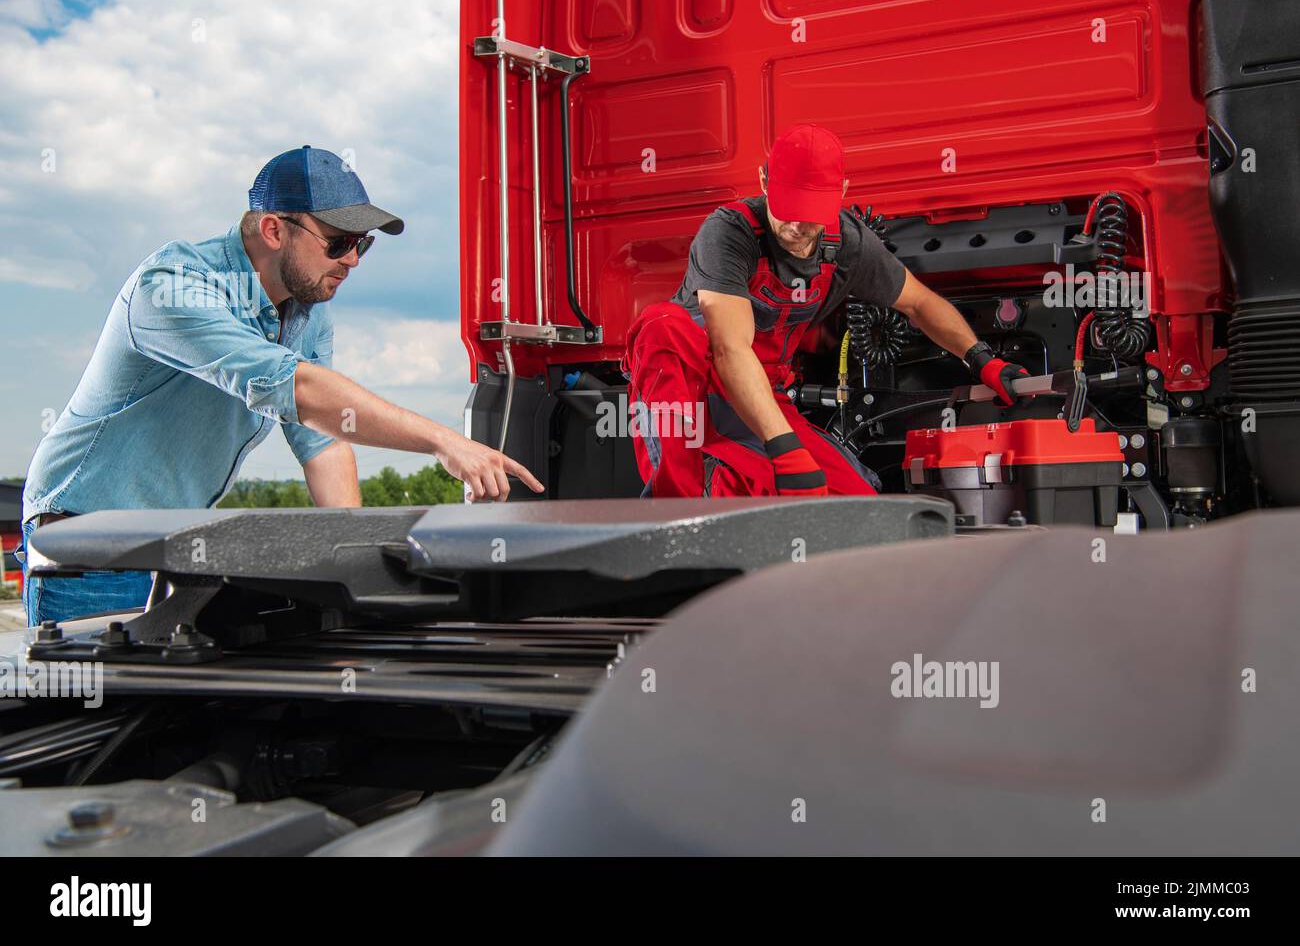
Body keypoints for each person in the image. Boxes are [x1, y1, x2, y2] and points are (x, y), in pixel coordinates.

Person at [21, 145, 542, 626]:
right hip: (88, 549)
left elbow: (324, 441)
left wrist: (359, 570)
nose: (352, 260)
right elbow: (298, 389)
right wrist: (443, 441)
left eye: (362, 244)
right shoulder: (174, 287)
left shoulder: (307, 310)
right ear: (273, 230)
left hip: (169, 550)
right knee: (111, 697)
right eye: (339, 242)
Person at [623, 124, 1027, 497]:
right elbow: (730, 350)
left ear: (842, 191)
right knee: (663, 326)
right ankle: (679, 511)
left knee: (854, 504)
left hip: (762, 396)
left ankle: (730, 485)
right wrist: (783, 449)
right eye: (788, 207)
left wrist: (982, 359)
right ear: (763, 181)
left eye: (811, 212)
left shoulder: (848, 243)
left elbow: (920, 303)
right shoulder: (729, 233)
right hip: (694, 394)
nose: (798, 226)